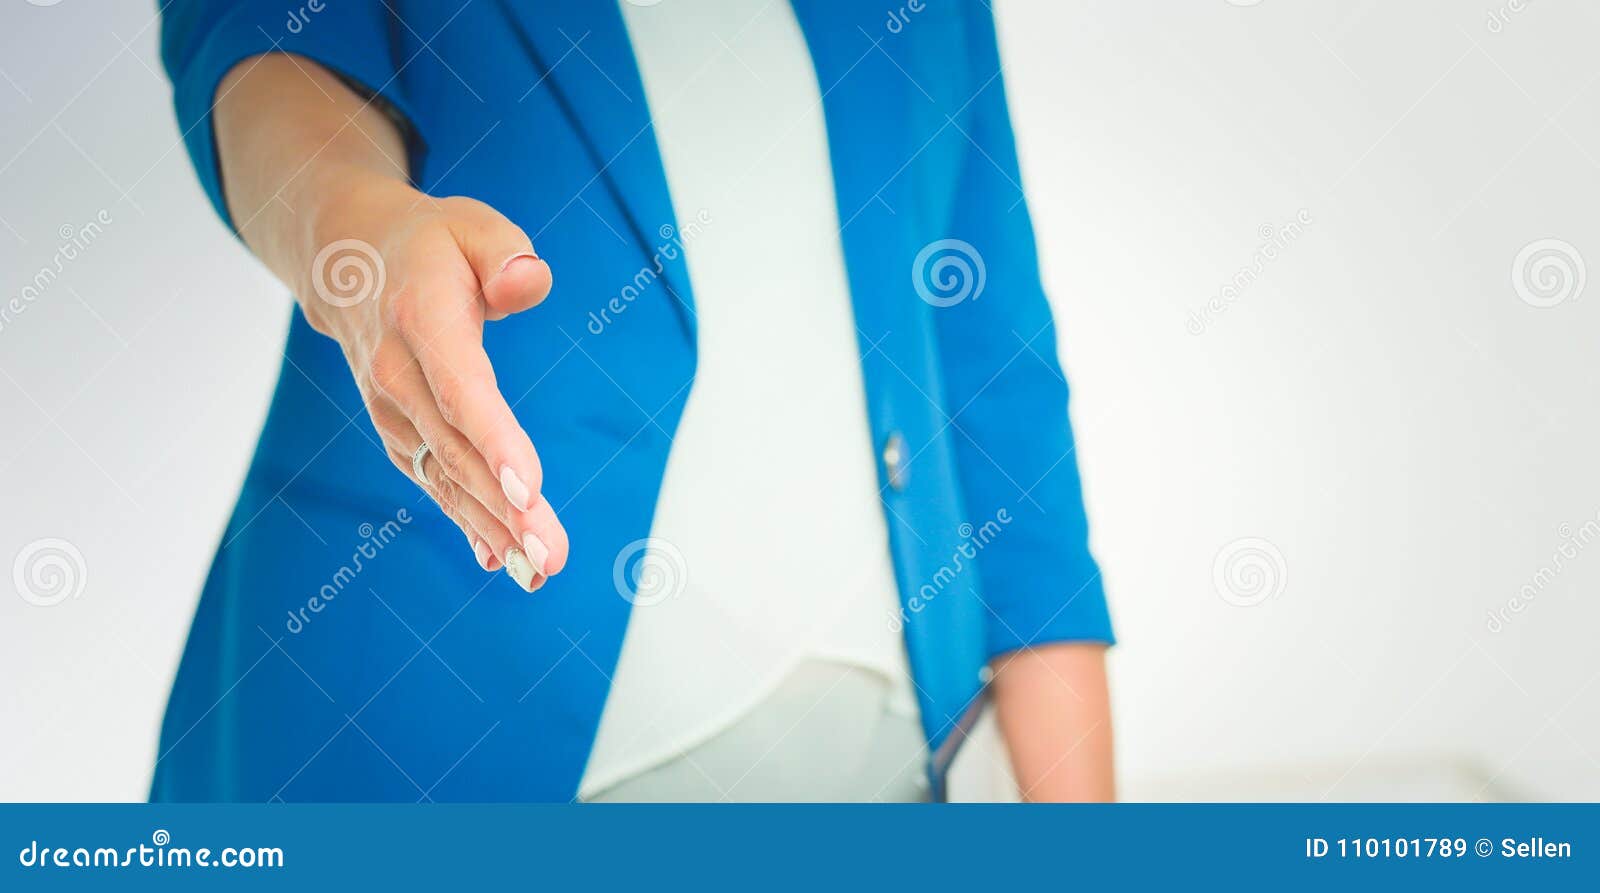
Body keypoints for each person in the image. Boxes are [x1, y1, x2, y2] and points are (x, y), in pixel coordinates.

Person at [152, 0, 1114, 802]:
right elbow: (268, 50)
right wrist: (361, 231)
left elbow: (999, 381)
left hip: (889, 763)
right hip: (435, 728)